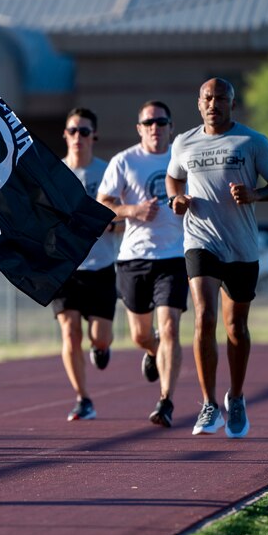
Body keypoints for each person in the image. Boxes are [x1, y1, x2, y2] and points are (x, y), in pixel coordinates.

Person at [166, 77, 268, 439]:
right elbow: (174, 179)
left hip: (241, 246)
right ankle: (208, 404)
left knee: (236, 328)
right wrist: (178, 199)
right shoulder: (183, 142)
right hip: (201, 240)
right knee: (204, 316)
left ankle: (235, 396)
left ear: (231, 104)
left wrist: (255, 195)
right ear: (199, 102)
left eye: (221, 98)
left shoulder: (252, 141)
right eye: (207, 97)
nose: (213, 103)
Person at [98, 101, 187, 429]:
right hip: (134, 258)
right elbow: (103, 203)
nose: (155, 127)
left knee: (170, 328)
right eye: (148, 122)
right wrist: (133, 211)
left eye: (161, 121)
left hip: (174, 256)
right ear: (139, 128)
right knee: (140, 335)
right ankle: (151, 352)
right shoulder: (124, 161)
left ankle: (165, 401)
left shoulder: (183, 159)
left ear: (170, 126)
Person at [51, 107, 119, 421]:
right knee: (69, 332)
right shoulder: (54, 174)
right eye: (73, 130)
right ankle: (83, 398)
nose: (78, 137)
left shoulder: (109, 172)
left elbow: (122, 219)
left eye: (84, 131)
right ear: (65, 135)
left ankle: (102, 348)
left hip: (102, 266)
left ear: (94, 136)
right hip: (66, 267)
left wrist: (110, 223)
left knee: (99, 336)